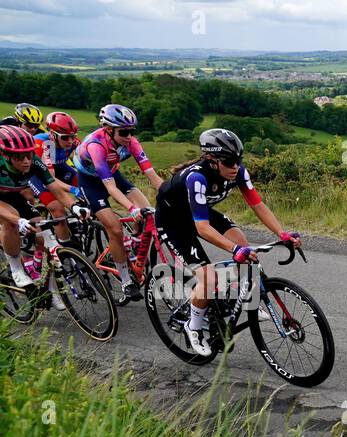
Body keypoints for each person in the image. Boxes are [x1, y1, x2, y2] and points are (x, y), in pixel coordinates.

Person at [155, 128, 299, 357]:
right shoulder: (197, 178)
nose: (235, 167)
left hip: (198, 212)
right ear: (211, 161)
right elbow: (202, 228)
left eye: (238, 160)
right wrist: (234, 250)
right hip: (173, 221)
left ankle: (240, 301)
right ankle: (193, 327)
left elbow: (257, 205)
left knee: (245, 245)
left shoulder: (238, 172)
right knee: (209, 277)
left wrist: (282, 233)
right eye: (230, 161)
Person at [70, 104, 163, 300]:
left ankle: (134, 242)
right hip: (90, 181)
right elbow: (110, 189)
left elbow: (152, 175)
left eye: (131, 131)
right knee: (115, 228)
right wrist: (131, 209)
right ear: (108, 130)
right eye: (124, 132)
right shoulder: (97, 145)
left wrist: (171, 198)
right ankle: (126, 280)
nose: (129, 136)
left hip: (113, 173)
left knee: (147, 212)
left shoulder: (132, 142)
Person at [0, 125, 81, 288]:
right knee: (11, 222)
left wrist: (74, 207)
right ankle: (16, 269)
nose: (26, 161)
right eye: (19, 157)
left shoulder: (33, 161)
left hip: (12, 193)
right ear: (5, 156)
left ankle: (49, 286)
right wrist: (18, 221)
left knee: (43, 233)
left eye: (28, 155)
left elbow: (55, 189)